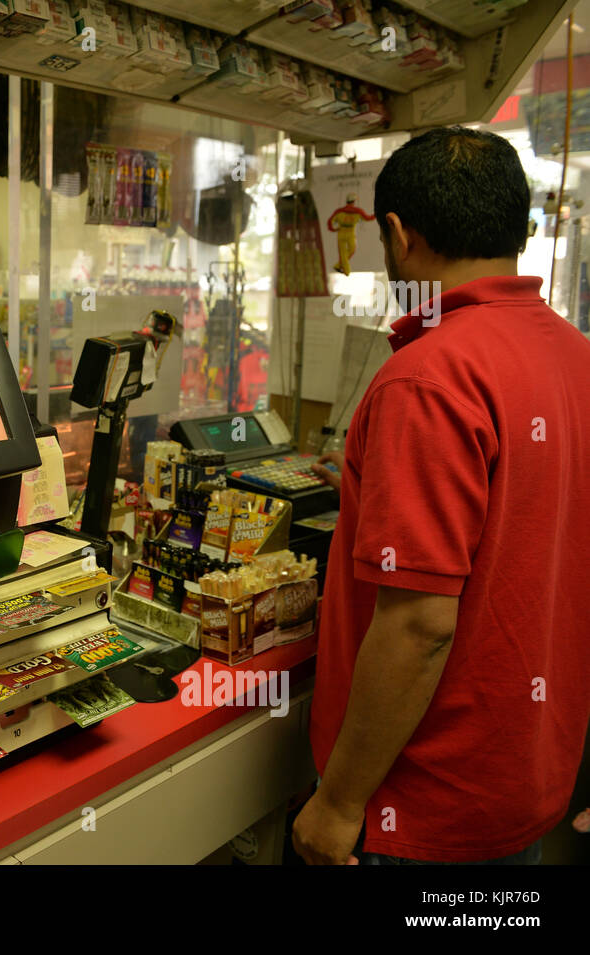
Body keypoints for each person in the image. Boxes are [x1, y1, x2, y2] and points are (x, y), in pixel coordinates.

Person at [293, 126, 590, 865]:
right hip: (525, 780)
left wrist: (338, 801)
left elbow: (420, 624)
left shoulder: (429, 377)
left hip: (420, 808)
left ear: (397, 234)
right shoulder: (576, 355)